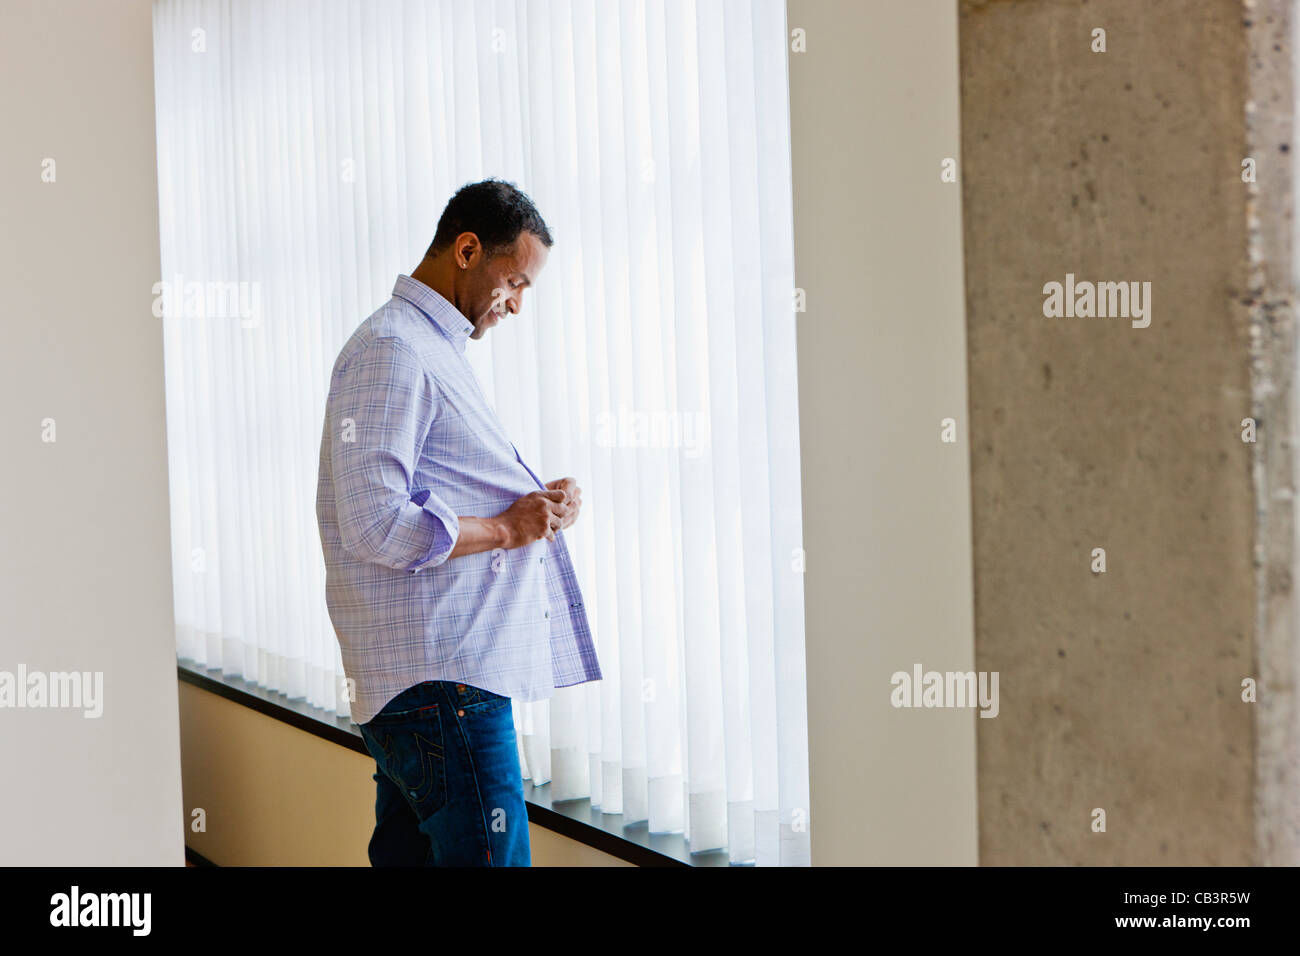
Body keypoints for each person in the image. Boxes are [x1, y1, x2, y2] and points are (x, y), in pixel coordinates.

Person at [315, 178, 602, 866]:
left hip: (435, 685)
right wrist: (508, 527)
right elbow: (377, 522)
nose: (516, 305)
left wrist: (533, 506)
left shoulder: (425, 346)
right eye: (515, 282)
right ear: (467, 249)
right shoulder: (395, 349)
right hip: (445, 688)